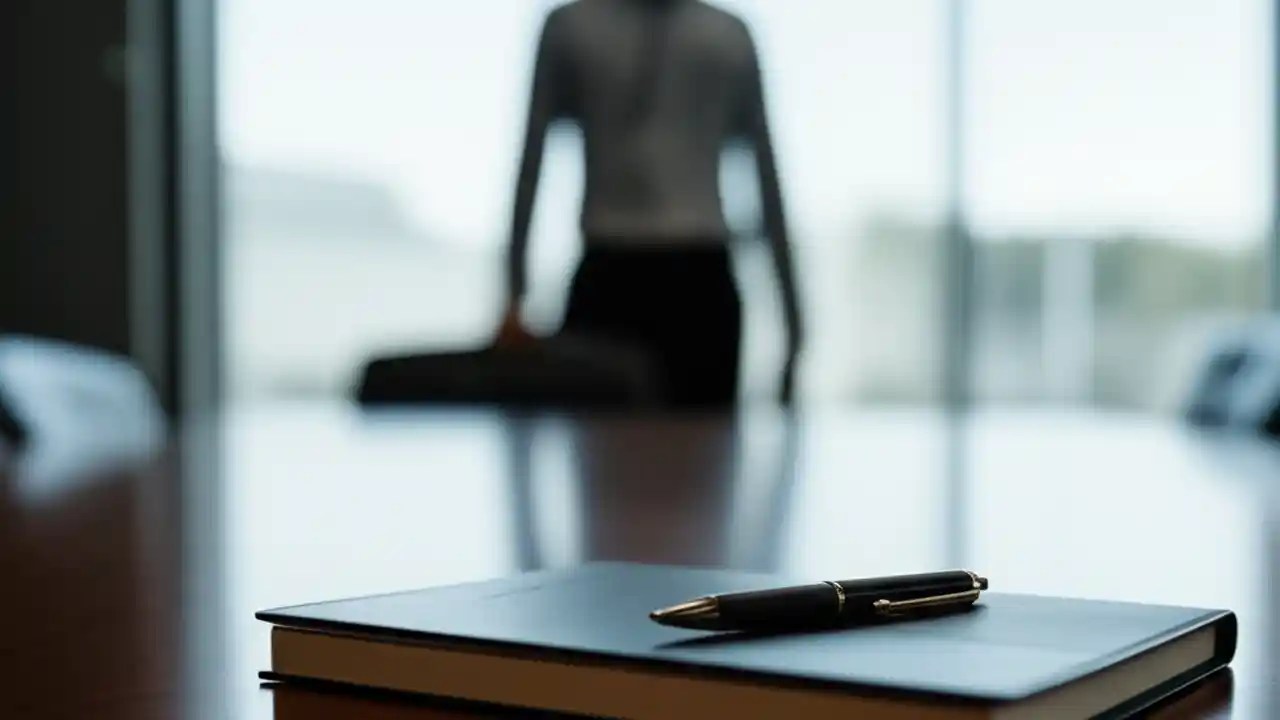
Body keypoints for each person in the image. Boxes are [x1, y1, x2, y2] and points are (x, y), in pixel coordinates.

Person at [498, 0, 803, 408]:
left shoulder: (727, 35)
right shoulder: (572, 27)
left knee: (703, 462)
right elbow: (531, 159)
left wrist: (795, 323)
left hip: (695, 279)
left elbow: (765, 174)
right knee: (601, 457)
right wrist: (513, 296)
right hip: (614, 275)